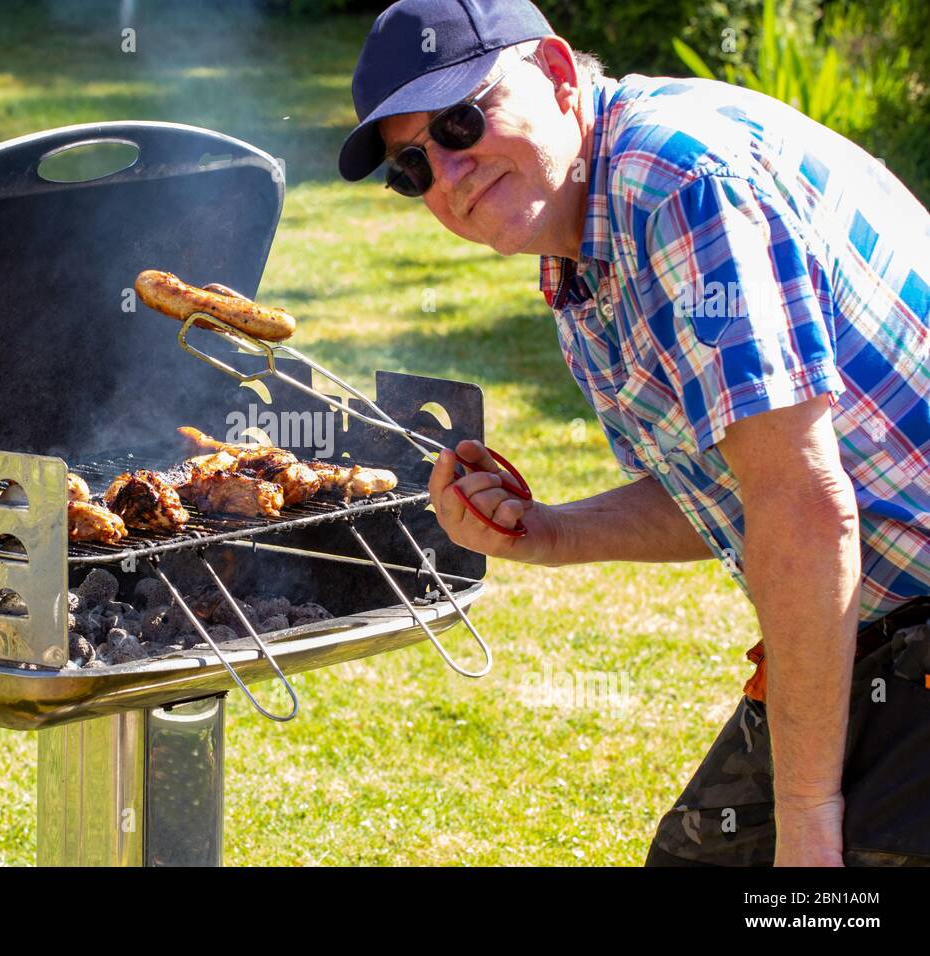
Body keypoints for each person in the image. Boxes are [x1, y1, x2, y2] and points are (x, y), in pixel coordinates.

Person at [338, 0, 930, 866]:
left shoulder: (680, 187)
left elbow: (801, 505)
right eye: (412, 168)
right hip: (879, 625)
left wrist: (809, 820)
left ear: (559, 71)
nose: (450, 172)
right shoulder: (582, 251)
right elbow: (741, 489)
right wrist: (551, 532)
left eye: (463, 120)